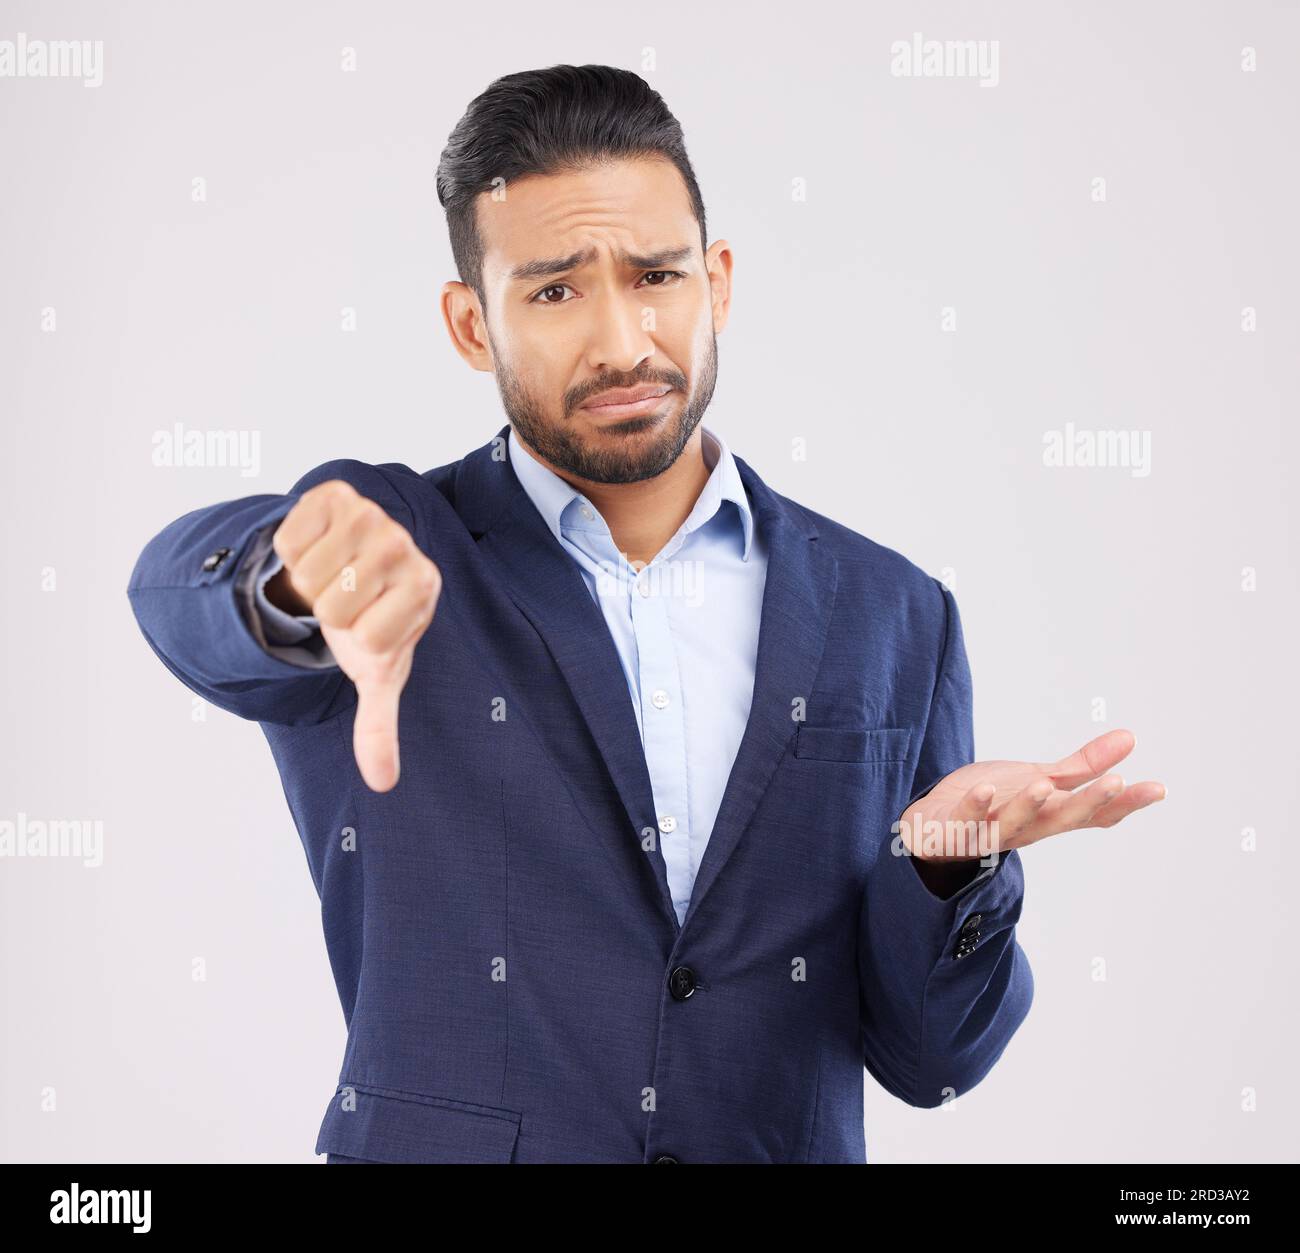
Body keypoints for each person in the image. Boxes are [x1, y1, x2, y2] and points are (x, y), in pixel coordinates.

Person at [126, 63, 1165, 1164]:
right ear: (471, 324)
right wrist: (283, 585)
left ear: (716, 281)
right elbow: (173, 598)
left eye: (656, 275)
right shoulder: (394, 555)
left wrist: (946, 864)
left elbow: (930, 1059)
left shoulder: (891, 609)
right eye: (555, 291)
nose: (623, 342)